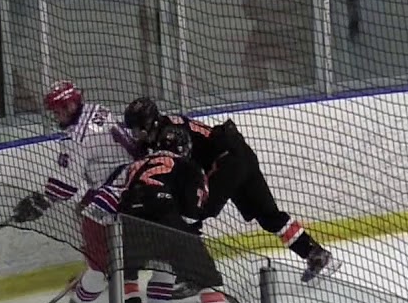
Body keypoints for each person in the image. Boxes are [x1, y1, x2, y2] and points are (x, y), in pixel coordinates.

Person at [83, 122, 250, 303]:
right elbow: (193, 214)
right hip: (164, 220)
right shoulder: (189, 166)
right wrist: (189, 240)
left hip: (130, 223)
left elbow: (116, 194)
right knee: (208, 279)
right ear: (184, 147)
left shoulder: (136, 165)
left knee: (129, 274)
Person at [123, 97, 335, 284]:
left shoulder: (169, 136)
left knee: (193, 211)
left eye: (138, 129)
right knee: (267, 214)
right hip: (239, 152)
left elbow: (189, 174)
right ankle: (314, 252)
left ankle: (195, 274)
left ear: (152, 122)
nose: (136, 134)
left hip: (226, 163)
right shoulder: (167, 128)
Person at [12, 81, 144, 303]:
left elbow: (67, 183)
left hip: (113, 193)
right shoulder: (98, 110)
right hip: (138, 180)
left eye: (59, 109)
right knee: (83, 209)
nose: (56, 115)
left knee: (100, 261)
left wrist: (41, 202)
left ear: (72, 104)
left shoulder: (76, 138)